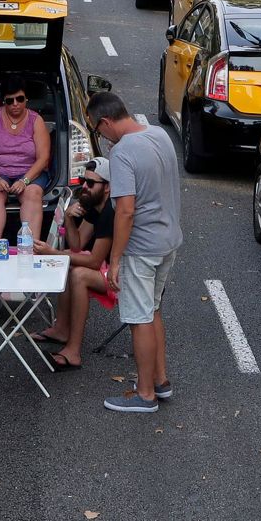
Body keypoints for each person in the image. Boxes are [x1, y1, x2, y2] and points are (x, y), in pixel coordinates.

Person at [88, 91, 181, 413]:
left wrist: (114, 260)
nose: (102, 138)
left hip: (141, 248)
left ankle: (144, 395)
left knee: (139, 317)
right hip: (168, 240)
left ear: (105, 122)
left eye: (99, 132)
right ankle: (160, 380)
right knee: (153, 310)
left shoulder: (123, 153)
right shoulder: (158, 133)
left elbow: (125, 211)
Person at [29, 157, 115, 371]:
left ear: (108, 187)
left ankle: (73, 351)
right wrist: (68, 218)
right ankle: (62, 329)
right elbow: (78, 246)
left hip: (124, 274)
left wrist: (54, 253)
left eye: (91, 183)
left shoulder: (110, 212)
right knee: (68, 259)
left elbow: (94, 262)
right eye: (84, 181)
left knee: (78, 274)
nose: (85, 187)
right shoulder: (97, 207)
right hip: (109, 268)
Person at [0, 74, 51, 248]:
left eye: (20, 99)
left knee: (32, 194)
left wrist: (25, 180)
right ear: (3, 101)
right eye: (10, 101)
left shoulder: (36, 120)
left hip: (30, 171)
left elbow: (44, 158)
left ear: (26, 99)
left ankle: (30, 248)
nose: (15, 104)